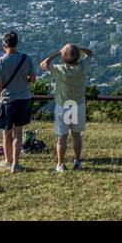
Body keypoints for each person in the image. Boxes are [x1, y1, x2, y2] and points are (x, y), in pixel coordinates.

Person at [40, 43, 93, 172]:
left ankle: (60, 164)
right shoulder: (82, 67)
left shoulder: (60, 69)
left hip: (63, 105)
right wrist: (77, 49)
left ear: (64, 57)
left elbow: (44, 64)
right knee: (76, 135)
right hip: (78, 104)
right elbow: (90, 53)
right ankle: (78, 162)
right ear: (78, 57)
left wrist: (59, 52)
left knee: (62, 137)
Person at [0, 31, 35, 173]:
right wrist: (23, 80)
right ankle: (16, 163)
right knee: (18, 132)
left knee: (6, 132)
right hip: (24, 99)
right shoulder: (26, 58)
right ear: (17, 43)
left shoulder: (1, 62)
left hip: (7, 100)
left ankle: (7, 160)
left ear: (4, 45)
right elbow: (33, 79)